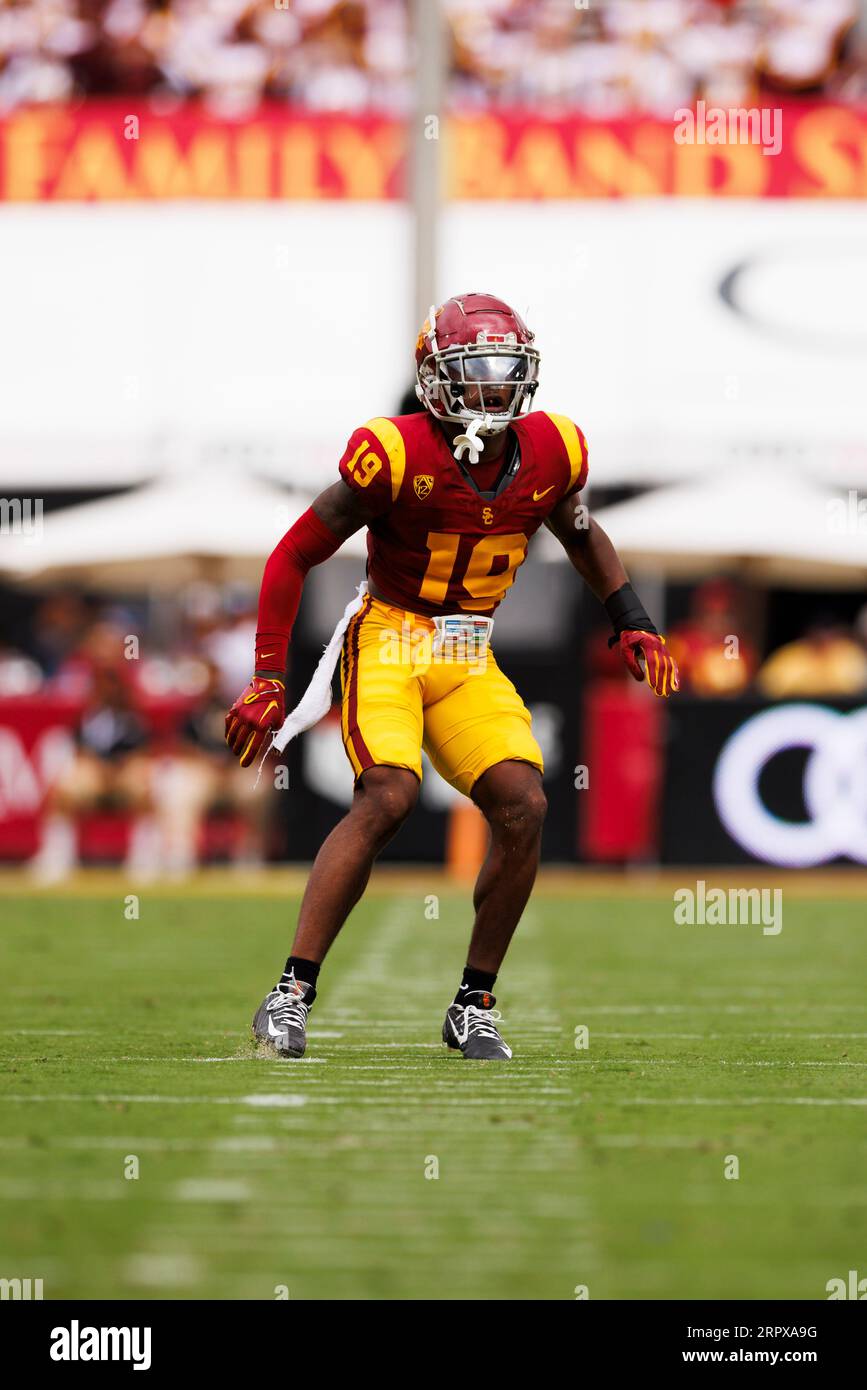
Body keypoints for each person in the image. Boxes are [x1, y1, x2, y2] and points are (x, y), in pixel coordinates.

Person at [226, 292, 679, 1061]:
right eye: (473, 373)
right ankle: (291, 991)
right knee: (389, 794)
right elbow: (293, 551)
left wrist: (628, 614)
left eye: (504, 371)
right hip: (390, 637)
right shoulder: (393, 453)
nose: (492, 389)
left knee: (524, 804)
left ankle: (474, 1002)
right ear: (435, 379)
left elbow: (579, 530)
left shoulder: (553, 450)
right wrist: (270, 673)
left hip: (469, 651)